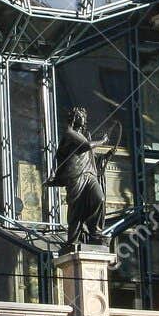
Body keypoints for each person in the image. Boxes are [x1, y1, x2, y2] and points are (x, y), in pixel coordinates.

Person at [49, 107, 108, 250]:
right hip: (76, 175)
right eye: (81, 115)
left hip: (89, 174)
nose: (84, 118)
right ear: (75, 118)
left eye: (84, 116)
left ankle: (95, 232)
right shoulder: (69, 133)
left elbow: (90, 157)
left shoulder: (84, 135)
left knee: (99, 199)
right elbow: (86, 146)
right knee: (77, 208)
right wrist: (103, 141)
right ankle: (73, 239)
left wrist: (105, 157)